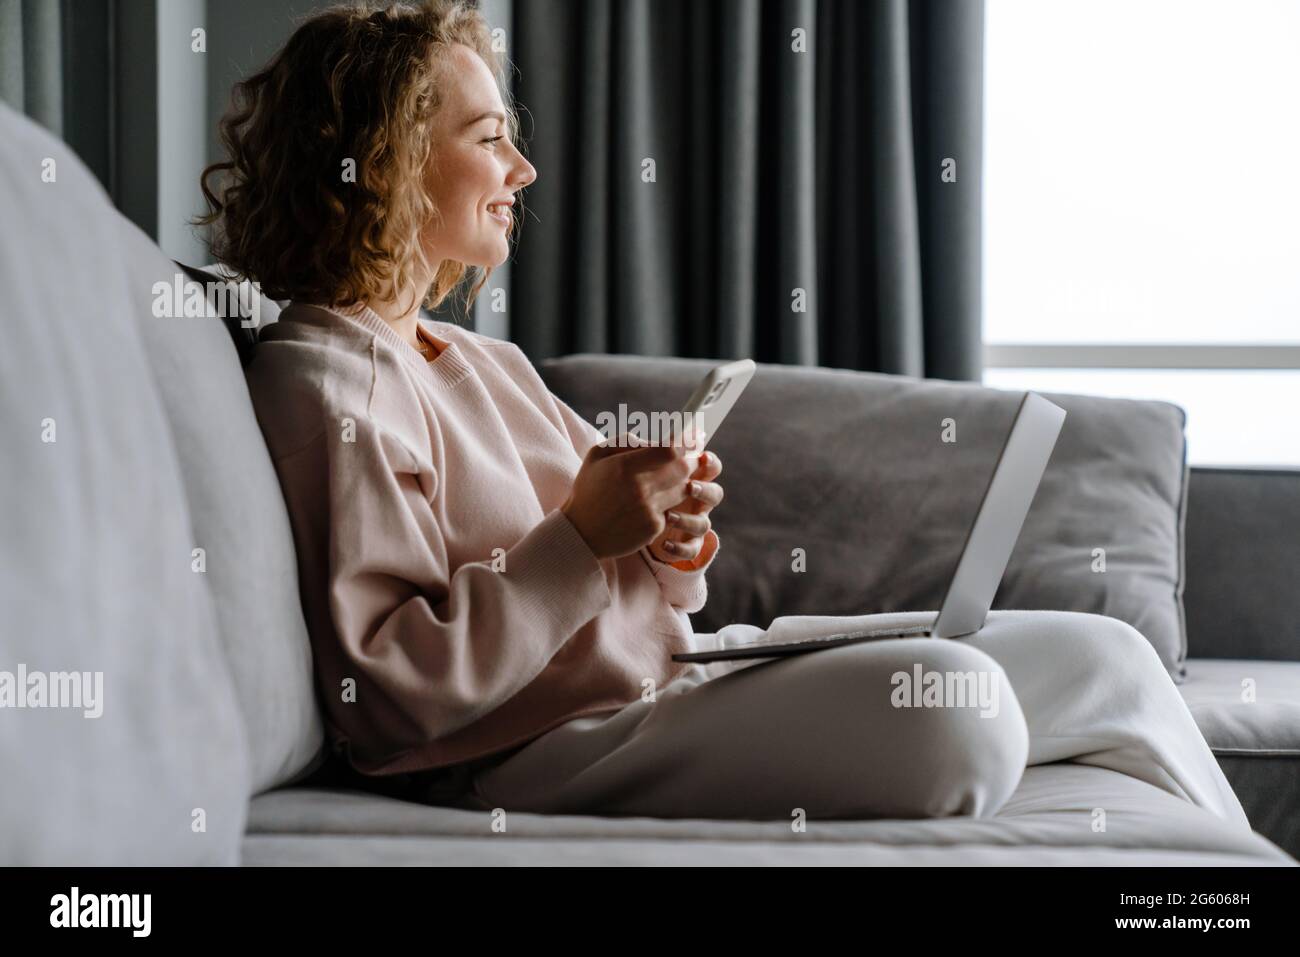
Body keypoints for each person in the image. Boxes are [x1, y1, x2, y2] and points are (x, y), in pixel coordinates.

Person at [198, 0, 1248, 828]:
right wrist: (582, 536)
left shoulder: (485, 361)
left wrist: (664, 540)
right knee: (958, 711)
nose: (522, 170)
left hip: (673, 677)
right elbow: (380, 700)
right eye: (488, 139)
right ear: (383, 162)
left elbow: (630, 574)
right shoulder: (324, 382)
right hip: (547, 746)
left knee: (1111, 657)